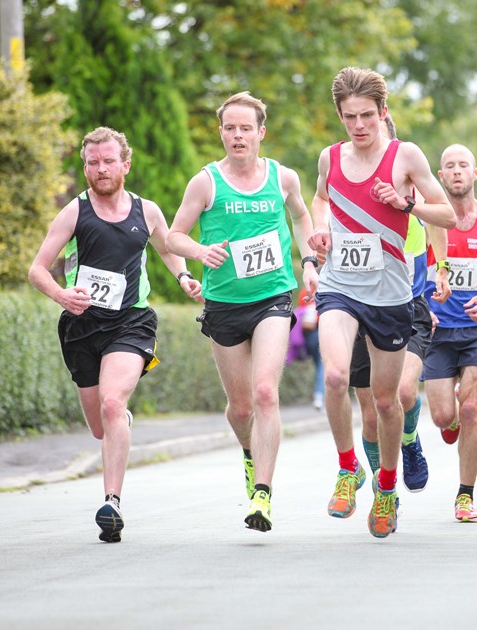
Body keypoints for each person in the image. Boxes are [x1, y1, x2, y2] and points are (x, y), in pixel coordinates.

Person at [28, 127, 203, 543]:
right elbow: (38, 268)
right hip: (81, 324)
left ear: (125, 164)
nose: (100, 169)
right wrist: (60, 294)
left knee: (112, 399)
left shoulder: (147, 211)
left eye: (108, 161)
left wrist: (183, 277)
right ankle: (118, 421)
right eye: (93, 162)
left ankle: (112, 502)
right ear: (85, 167)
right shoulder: (74, 212)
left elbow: (166, 248)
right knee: (100, 425)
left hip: (131, 321)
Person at [307, 67, 456, 538]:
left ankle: (387, 489)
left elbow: (447, 214)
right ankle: (349, 467)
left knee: (388, 403)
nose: (358, 125)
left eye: (367, 115)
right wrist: (321, 230)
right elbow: (318, 198)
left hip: (391, 295)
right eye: (349, 116)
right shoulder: (330, 158)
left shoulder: (404, 155)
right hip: (340, 287)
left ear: (383, 113)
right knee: (334, 375)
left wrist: (406, 204)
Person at [167, 91, 319, 533]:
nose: (238, 135)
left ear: (260, 133)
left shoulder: (283, 177)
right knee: (239, 408)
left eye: (245, 128)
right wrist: (200, 250)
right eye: (230, 128)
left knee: (265, 393)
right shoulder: (206, 183)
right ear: (221, 133)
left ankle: (263, 496)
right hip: (224, 304)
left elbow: (303, 217)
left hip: (272, 297)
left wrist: (308, 262)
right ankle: (251, 455)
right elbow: (174, 236)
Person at [350, 114, 449, 496]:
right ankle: (382, 490)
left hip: (409, 301)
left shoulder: (410, 183)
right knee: (372, 413)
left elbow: (439, 221)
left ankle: (409, 442)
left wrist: (442, 267)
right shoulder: (348, 179)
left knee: (403, 392)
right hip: (362, 305)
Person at [423, 144, 477, 522]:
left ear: (475, 173)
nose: (456, 172)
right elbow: (410, 270)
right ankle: (452, 418)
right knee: (444, 416)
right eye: (449, 167)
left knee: (471, 408)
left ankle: (464, 496)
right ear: (441, 177)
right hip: (438, 329)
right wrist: (424, 308)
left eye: (463, 165)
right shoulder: (428, 220)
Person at [296, 288, 324, 411]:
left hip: (309, 334)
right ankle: (319, 396)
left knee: (318, 364)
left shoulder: (305, 291)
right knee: (322, 365)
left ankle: (319, 394)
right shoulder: (327, 285)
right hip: (322, 330)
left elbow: (301, 311)